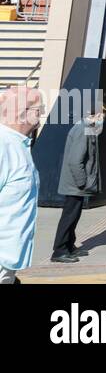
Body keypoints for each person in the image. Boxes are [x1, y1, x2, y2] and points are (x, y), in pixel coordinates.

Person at [51, 105, 106, 264]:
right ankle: (59, 250)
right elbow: (75, 161)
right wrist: (83, 182)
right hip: (75, 184)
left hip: (77, 184)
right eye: (103, 116)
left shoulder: (88, 128)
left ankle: (69, 245)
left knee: (73, 216)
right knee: (69, 216)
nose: (104, 120)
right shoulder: (82, 130)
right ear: (96, 115)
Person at [0, 86, 44, 284]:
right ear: (22, 113)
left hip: (8, 260)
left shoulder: (19, 145)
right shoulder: (4, 146)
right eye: (38, 110)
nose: (42, 114)